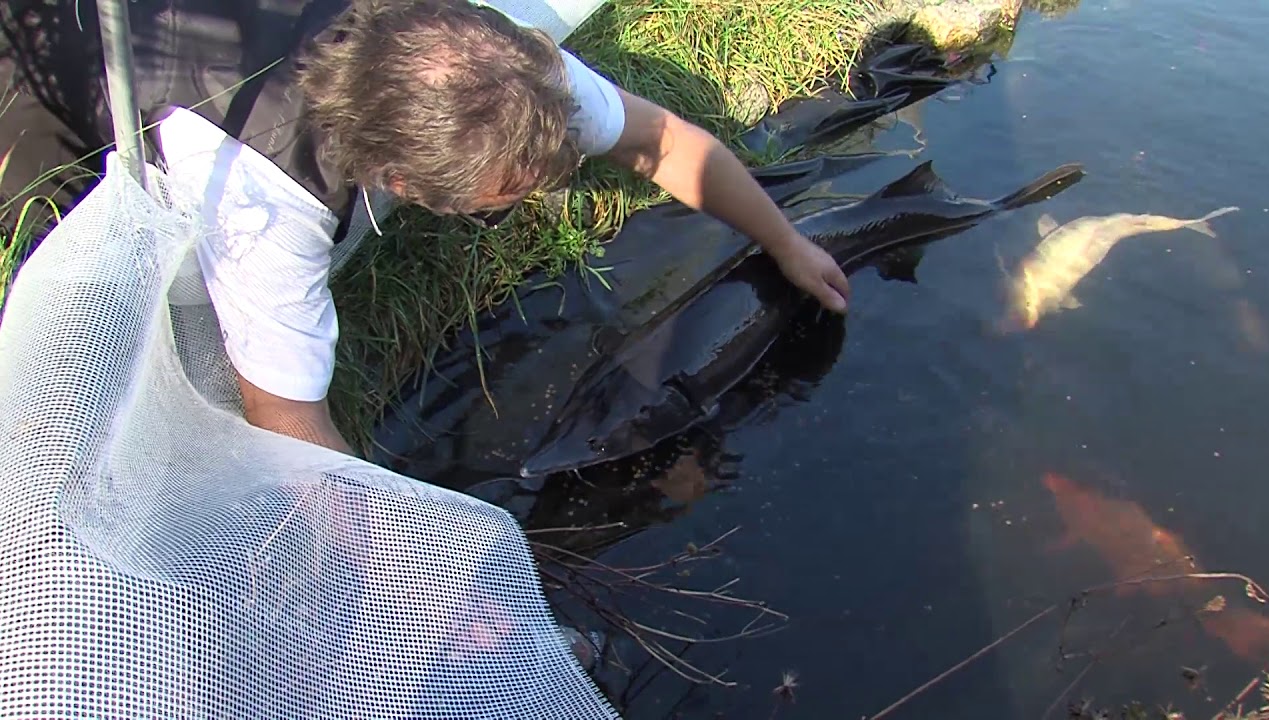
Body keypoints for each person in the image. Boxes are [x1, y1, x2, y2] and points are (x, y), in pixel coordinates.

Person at [0, 0, 851, 458]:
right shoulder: (265, 196)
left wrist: (787, 243)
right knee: (73, 280)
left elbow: (661, 140)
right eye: (498, 200)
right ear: (398, 183)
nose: (519, 208)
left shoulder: (503, 74)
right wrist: (410, 568)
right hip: (66, 43)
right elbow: (284, 416)